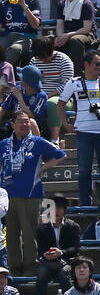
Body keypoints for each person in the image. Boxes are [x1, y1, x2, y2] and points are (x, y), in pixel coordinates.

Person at [0, 110, 64, 275]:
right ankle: (14, 268)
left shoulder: (37, 142)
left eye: (27, 121)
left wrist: (43, 168)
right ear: (13, 124)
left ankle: (31, 267)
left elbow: (60, 155)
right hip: (7, 196)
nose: (25, 124)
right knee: (11, 234)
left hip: (31, 194)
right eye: (21, 121)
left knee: (30, 233)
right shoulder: (4, 144)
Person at [60, 51, 100, 206]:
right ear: (86, 64)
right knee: (84, 170)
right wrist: (65, 124)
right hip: (84, 132)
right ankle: (85, 203)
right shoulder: (74, 83)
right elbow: (60, 104)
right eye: (97, 64)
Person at [32, 194, 78, 295]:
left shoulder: (73, 226)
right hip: (48, 262)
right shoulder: (42, 228)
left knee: (64, 273)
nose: (56, 211)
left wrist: (61, 252)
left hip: (66, 261)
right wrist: (46, 254)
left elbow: (75, 248)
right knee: (41, 274)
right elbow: (41, 249)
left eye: (59, 208)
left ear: (64, 210)